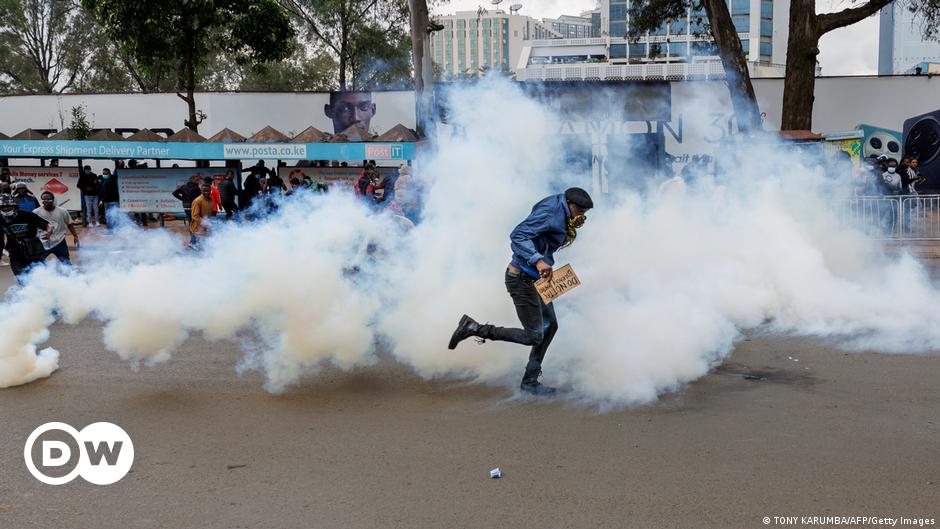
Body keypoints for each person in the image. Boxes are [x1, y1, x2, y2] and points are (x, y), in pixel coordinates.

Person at [447, 187, 594, 396]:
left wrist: (567, 231)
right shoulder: (552, 211)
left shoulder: (561, 208)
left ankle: (530, 382)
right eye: (581, 212)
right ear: (571, 205)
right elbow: (518, 235)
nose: (582, 217)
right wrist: (538, 260)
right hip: (522, 279)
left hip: (537, 280)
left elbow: (545, 237)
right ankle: (474, 328)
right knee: (535, 336)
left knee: (550, 327)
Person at [0, 193, 51, 280]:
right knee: (21, 278)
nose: (6, 209)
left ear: (14, 206)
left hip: (34, 250)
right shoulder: (0, 219)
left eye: (8, 206)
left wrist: (49, 232)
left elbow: (47, 225)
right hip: (15, 253)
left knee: (41, 277)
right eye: (3, 207)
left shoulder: (27, 215)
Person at [33, 191, 78, 265]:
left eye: (48, 199)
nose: (46, 201)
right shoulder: (36, 212)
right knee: (38, 263)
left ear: (53, 200)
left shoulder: (62, 211)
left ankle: (70, 275)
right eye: (44, 199)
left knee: (66, 262)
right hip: (43, 242)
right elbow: (32, 226)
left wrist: (75, 236)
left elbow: (69, 224)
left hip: (59, 241)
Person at [189, 182, 215, 249]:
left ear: (210, 191)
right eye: (204, 191)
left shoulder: (210, 200)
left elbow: (209, 213)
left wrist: (210, 222)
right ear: (201, 191)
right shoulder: (197, 201)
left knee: (202, 249)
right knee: (193, 249)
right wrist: (205, 223)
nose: (207, 192)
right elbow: (195, 216)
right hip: (197, 230)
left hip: (205, 230)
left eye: (208, 191)